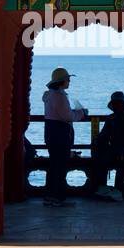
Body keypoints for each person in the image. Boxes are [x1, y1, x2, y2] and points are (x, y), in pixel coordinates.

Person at [42, 66, 87, 207]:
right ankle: (58, 197)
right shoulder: (60, 97)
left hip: (50, 132)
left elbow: (60, 113)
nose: (69, 81)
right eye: (68, 79)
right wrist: (81, 113)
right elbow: (67, 116)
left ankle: (50, 195)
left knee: (54, 165)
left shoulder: (49, 95)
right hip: (60, 134)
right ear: (62, 81)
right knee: (60, 166)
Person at [90, 91, 124, 200]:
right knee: (101, 161)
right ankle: (101, 188)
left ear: (123, 104)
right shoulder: (111, 118)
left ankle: (121, 190)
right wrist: (95, 143)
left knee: (123, 163)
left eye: (118, 103)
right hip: (116, 149)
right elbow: (103, 135)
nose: (116, 106)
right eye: (114, 104)